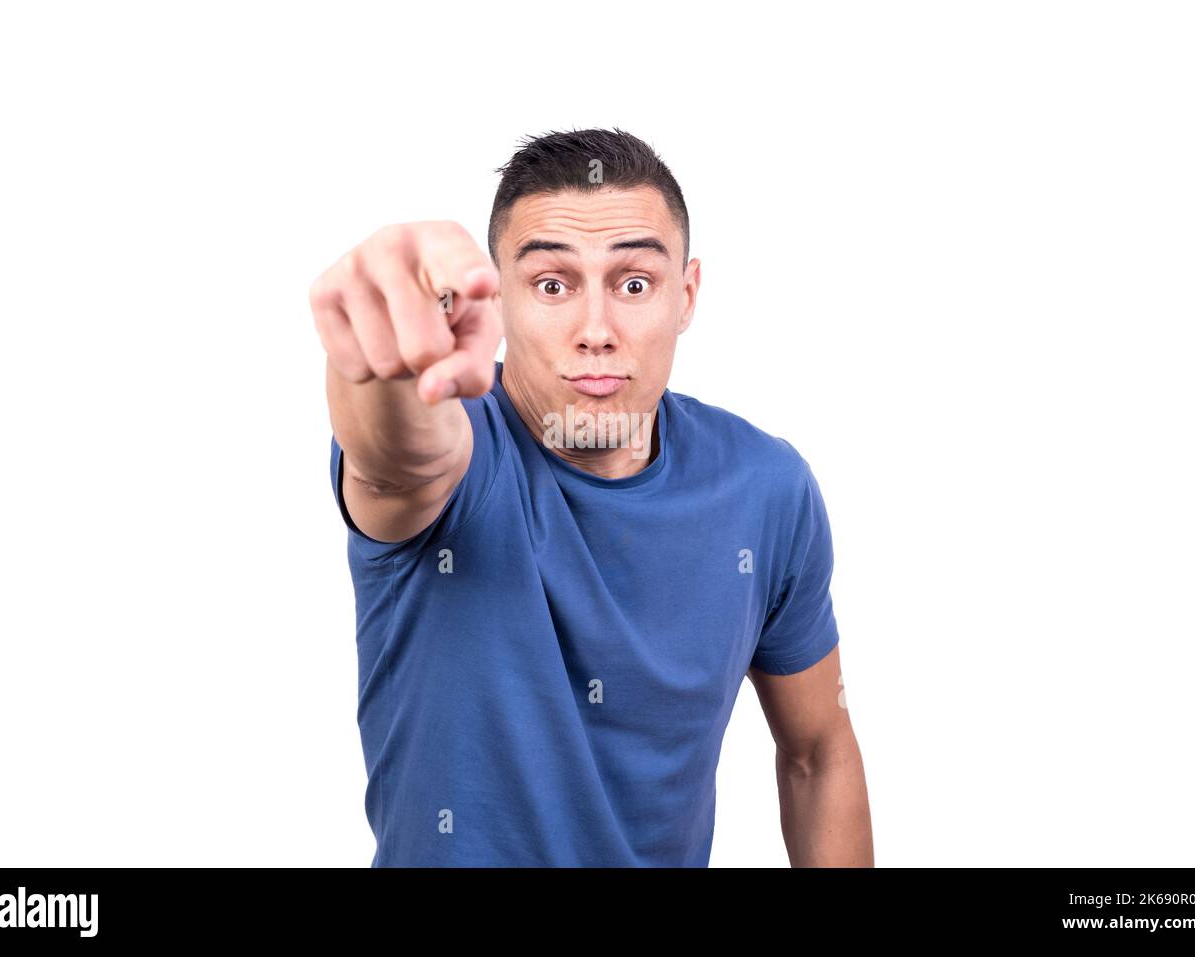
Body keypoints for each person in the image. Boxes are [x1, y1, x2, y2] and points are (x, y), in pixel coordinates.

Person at [309, 128, 872, 866]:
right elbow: (394, 458)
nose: (597, 331)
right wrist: (376, 353)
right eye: (552, 285)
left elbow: (817, 749)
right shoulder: (461, 452)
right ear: (499, 295)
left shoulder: (767, 487)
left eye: (634, 283)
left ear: (686, 295)